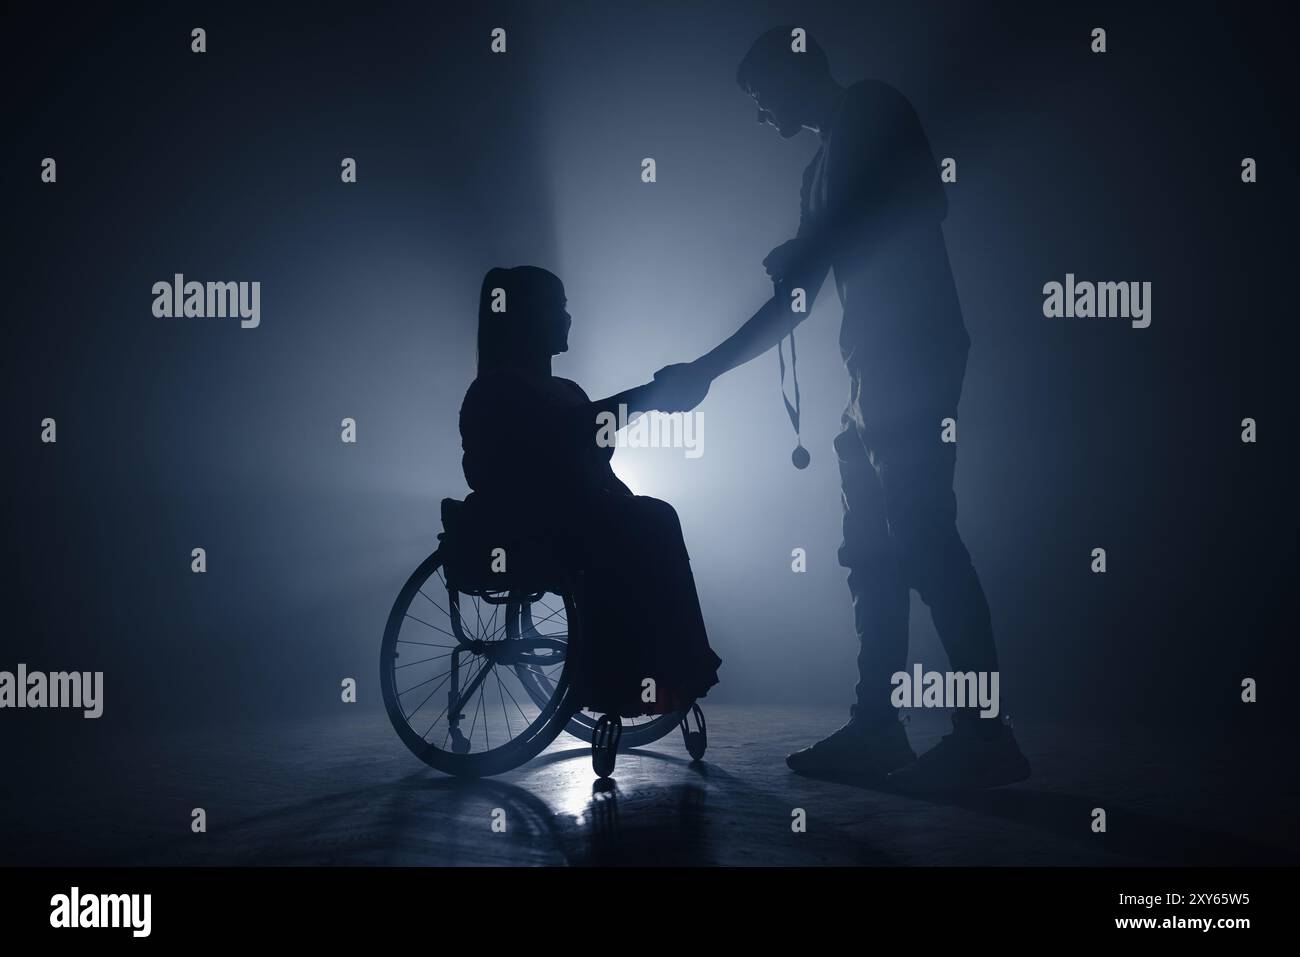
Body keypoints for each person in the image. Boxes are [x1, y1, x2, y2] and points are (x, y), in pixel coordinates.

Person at [653, 27, 1028, 790]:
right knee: (874, 555)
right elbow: (801, 294)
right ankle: (878, 726)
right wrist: (709, 371)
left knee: (924, 538)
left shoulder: (873, 108)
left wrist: (717, 360)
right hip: (873, 375)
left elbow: (919, 203)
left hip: (911, 356)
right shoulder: (818, 167)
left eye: (762, 95)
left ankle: (984, 734)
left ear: (798, 72)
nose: (760, 115)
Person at [458, 265, 721, 719]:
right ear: (524, 315)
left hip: (579, 518)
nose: (566, 318)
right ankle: (626, 682)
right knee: (643, 521)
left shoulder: (567, 390)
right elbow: (563, 438)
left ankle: (671, 672)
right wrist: (650, 395)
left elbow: (593, 460)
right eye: (556, 306)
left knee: (649, 516)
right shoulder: (495, 390)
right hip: (530, 530)